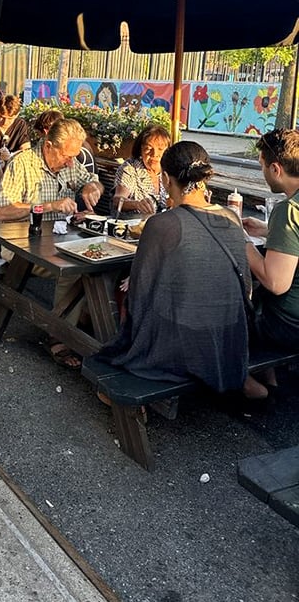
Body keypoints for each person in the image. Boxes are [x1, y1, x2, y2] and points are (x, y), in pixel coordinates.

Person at [100, 141, 264, 398]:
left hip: (183, 339)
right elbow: (245, 285)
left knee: (127, 302)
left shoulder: (162, 224)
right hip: (230, 333)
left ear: (165, 178)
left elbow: (141, 294)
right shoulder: (230, 217)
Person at [243, 129, 299, 366]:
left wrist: (241, 239)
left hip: (288, 325)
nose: (262, 172)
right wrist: (268, 230)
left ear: (276, 169)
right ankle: (269, 381)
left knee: (227, 313)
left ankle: (242, 382)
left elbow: (276, 282)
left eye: (262, 166)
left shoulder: (288, 210)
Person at [0, 118, 103, 222]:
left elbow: (94, 182)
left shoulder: (72, 163)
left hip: (63, 236)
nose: (71, 163)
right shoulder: (21, 163)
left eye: (73, 156)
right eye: (66, 156)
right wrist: (50, 206)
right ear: (48, 146)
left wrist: (93, 186)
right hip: (27, 237)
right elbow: (1, 213)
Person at [113, 125, 171, 216]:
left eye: (160, 149)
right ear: (140, 150)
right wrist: (136, 204)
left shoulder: (169, 170)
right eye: (148, 149)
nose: (154, 154)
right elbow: (118, 200)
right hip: (134, 225)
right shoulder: (130, 169)